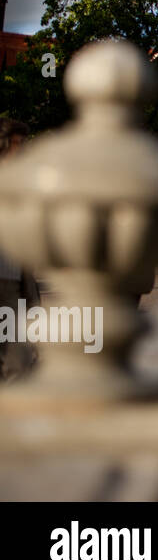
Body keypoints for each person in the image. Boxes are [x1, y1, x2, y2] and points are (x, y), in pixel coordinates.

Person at [0, 118, 40, 380]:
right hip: (5, 276)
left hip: (14, 274)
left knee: (17, 355)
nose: (22, 149)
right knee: (15, 358)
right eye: (18, 143)